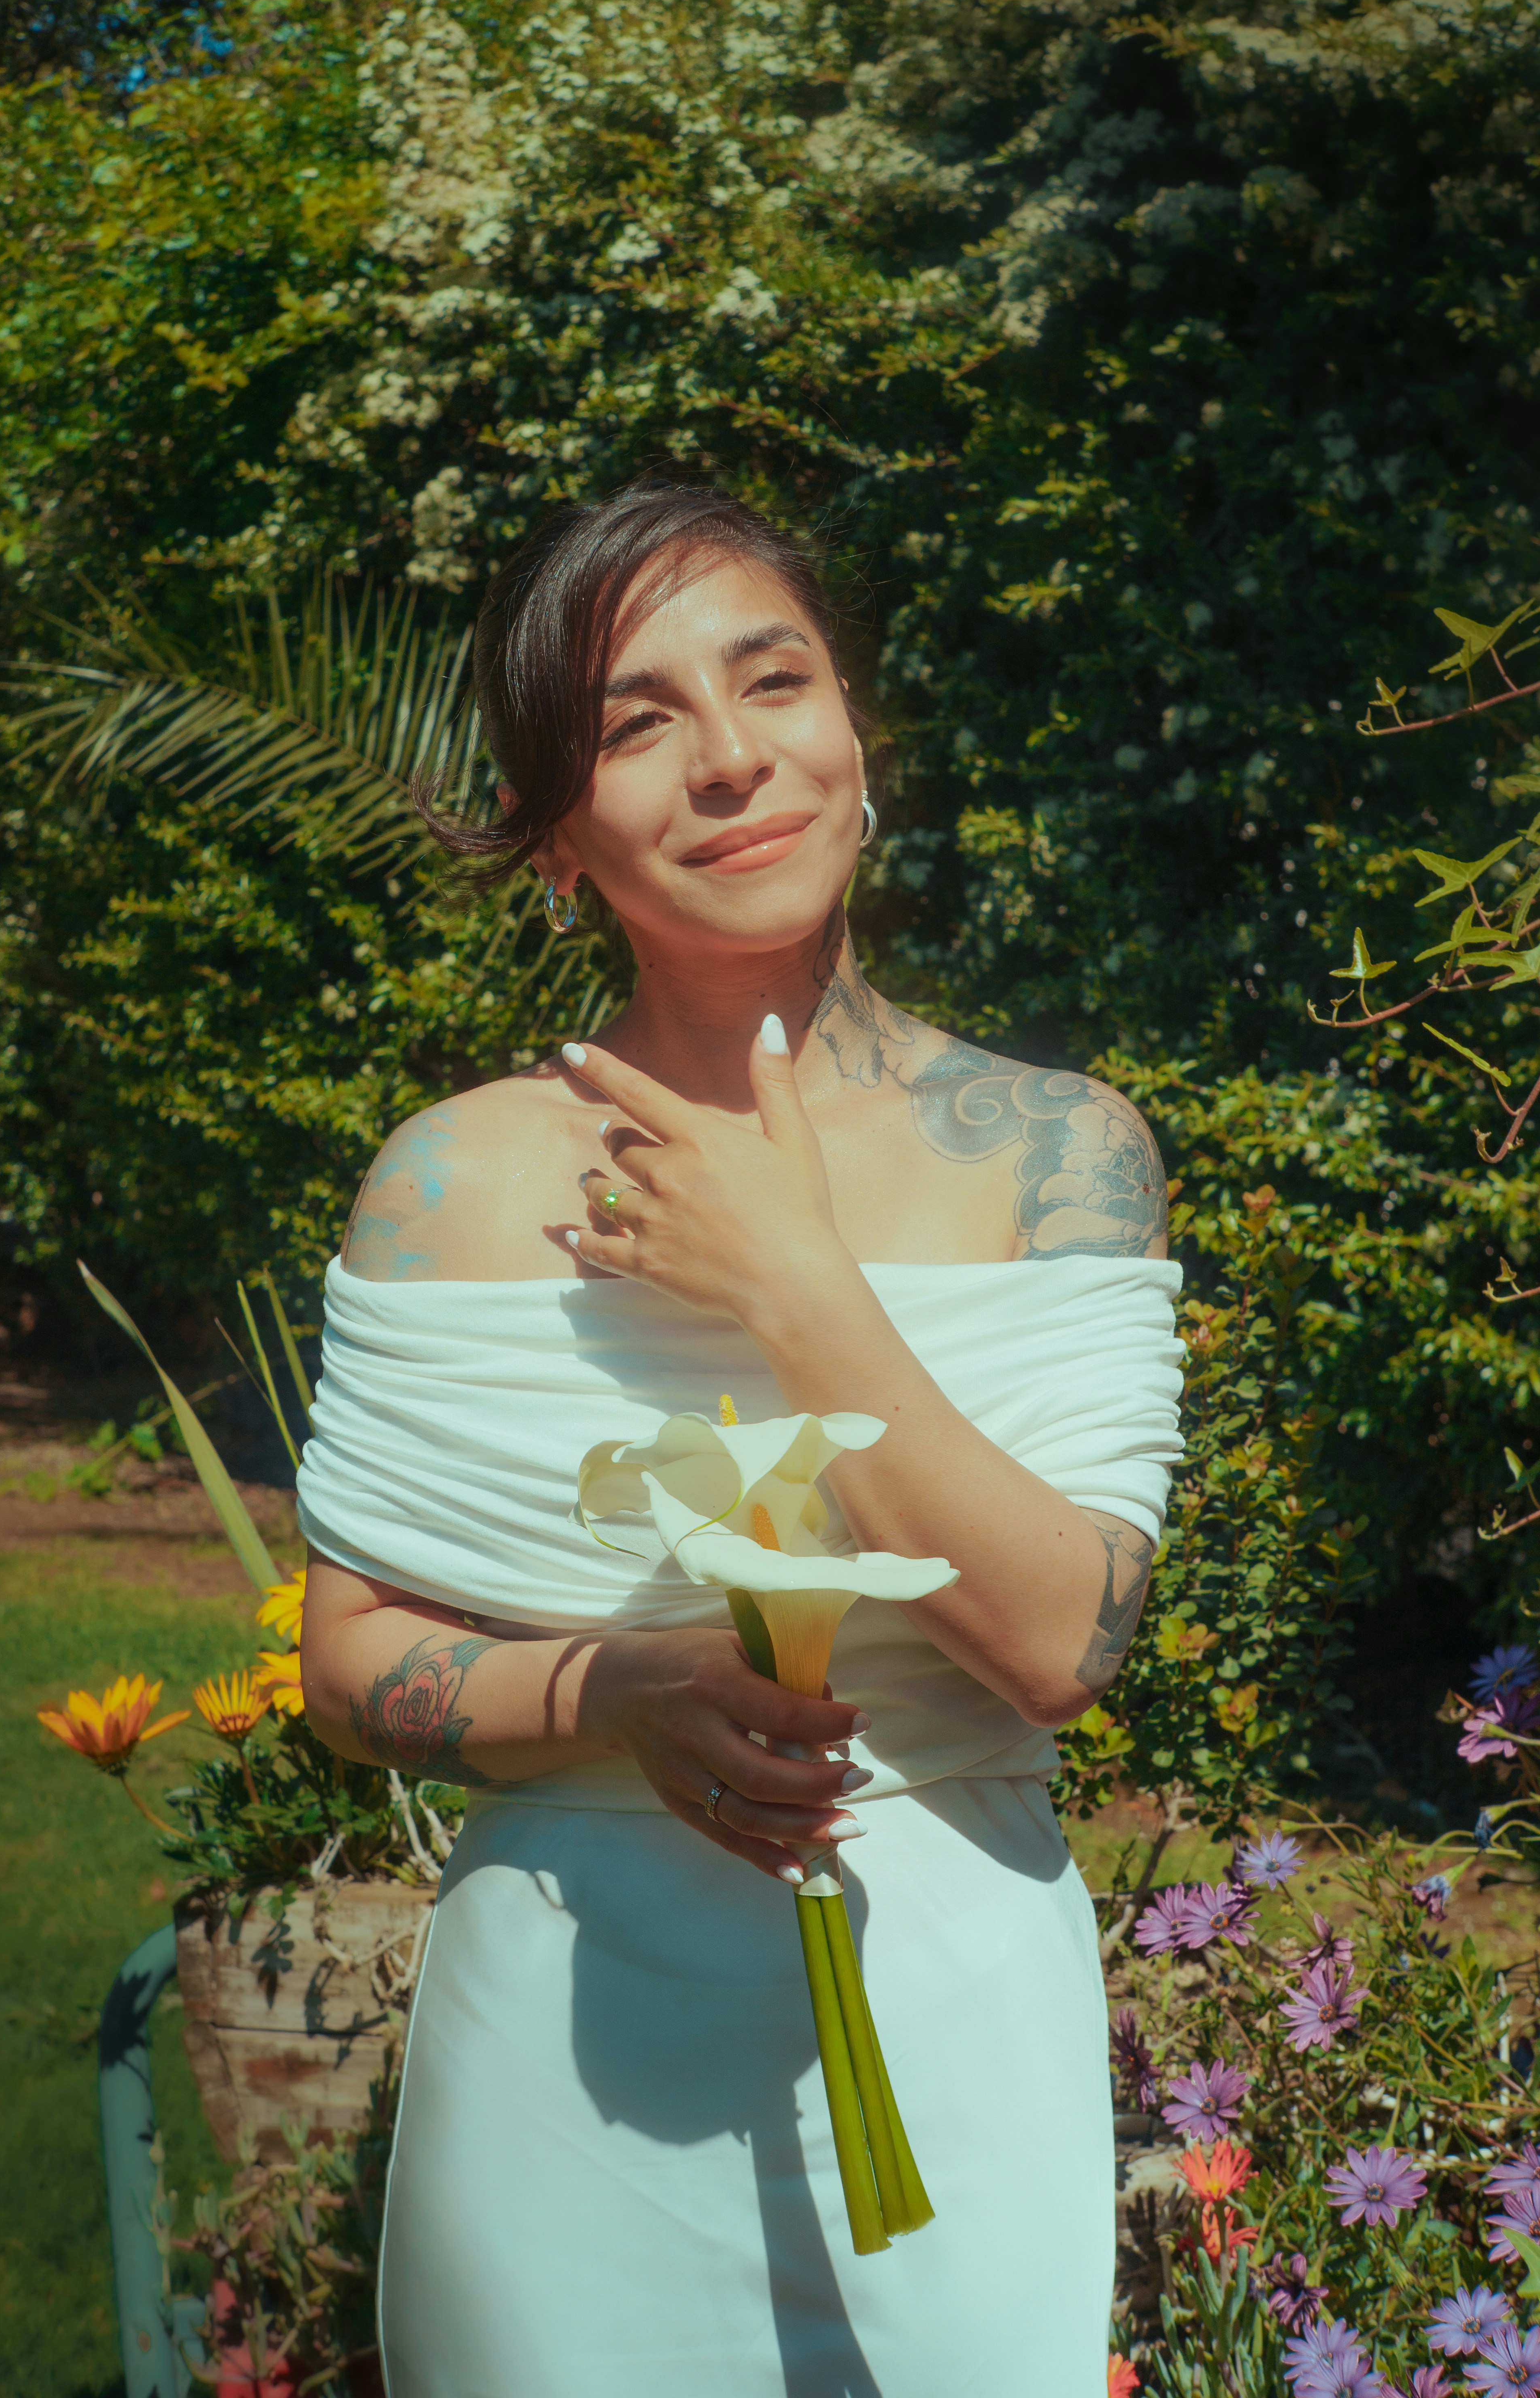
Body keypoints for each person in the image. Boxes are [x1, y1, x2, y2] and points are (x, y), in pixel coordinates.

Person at [296, 482, 1184, 2398]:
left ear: (854, 731)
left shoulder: (1058, 1155)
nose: (727, 758)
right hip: (561, 2060)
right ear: (554, 834)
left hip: (957, 2020)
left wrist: (793, 1286)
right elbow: (350, 1669)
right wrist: (612, 1692)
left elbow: (1061, 1645)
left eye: (772, 679)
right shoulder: (447, 1189)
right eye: (636, 724)